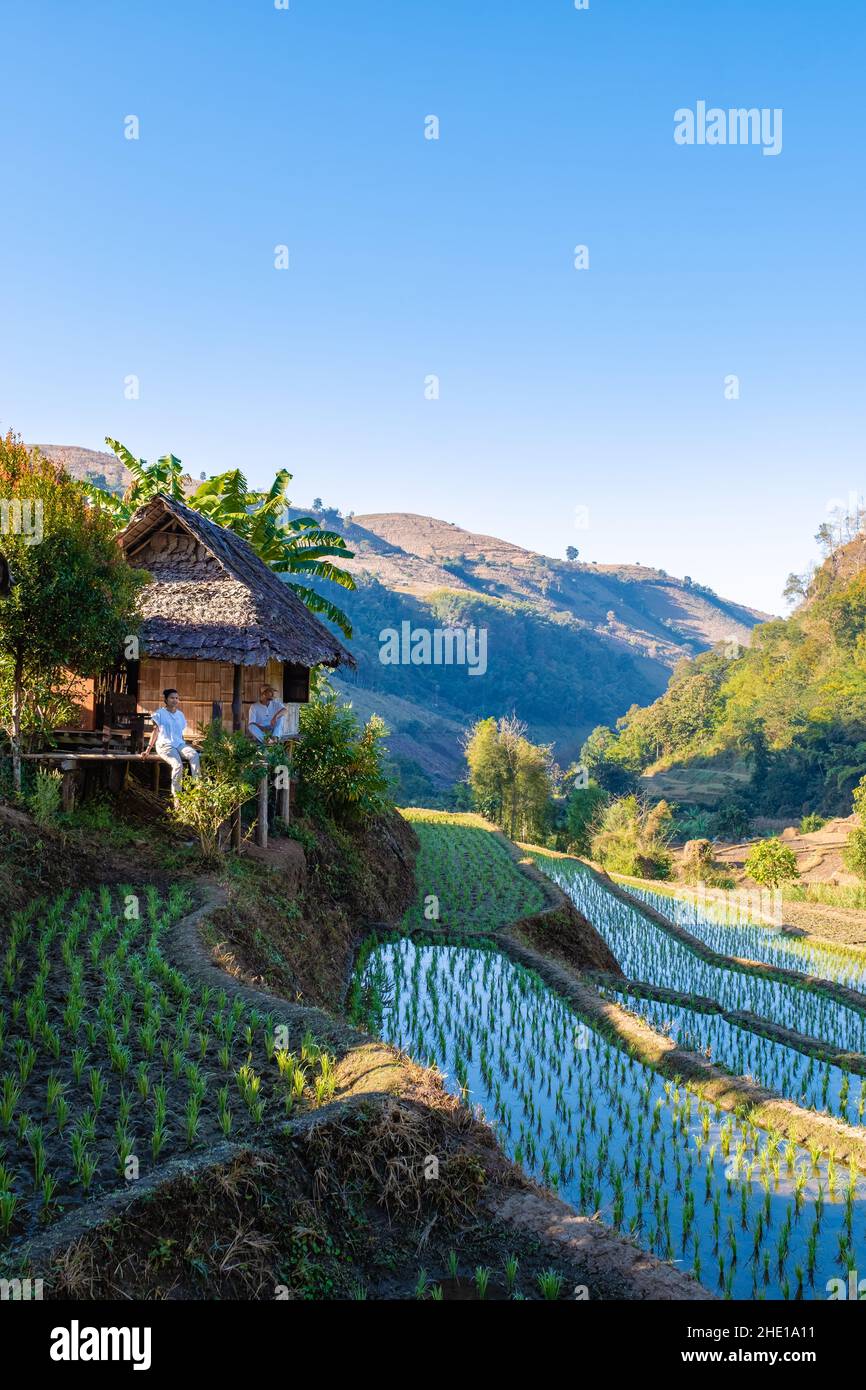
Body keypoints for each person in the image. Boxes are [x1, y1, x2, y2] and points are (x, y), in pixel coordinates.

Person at [142, 688, 201, 796]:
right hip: (165, 745)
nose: (175, 700)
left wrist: (184, 747)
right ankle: (177, 796)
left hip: (179, 744)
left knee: (194, 755)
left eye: (177, 698)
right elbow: (155, 732)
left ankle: (198, 788)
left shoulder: (180, 715)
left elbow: (180, 733)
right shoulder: (159, 714)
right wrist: (148, 750)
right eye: (172, 698)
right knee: (178, 765)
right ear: (166, 699)